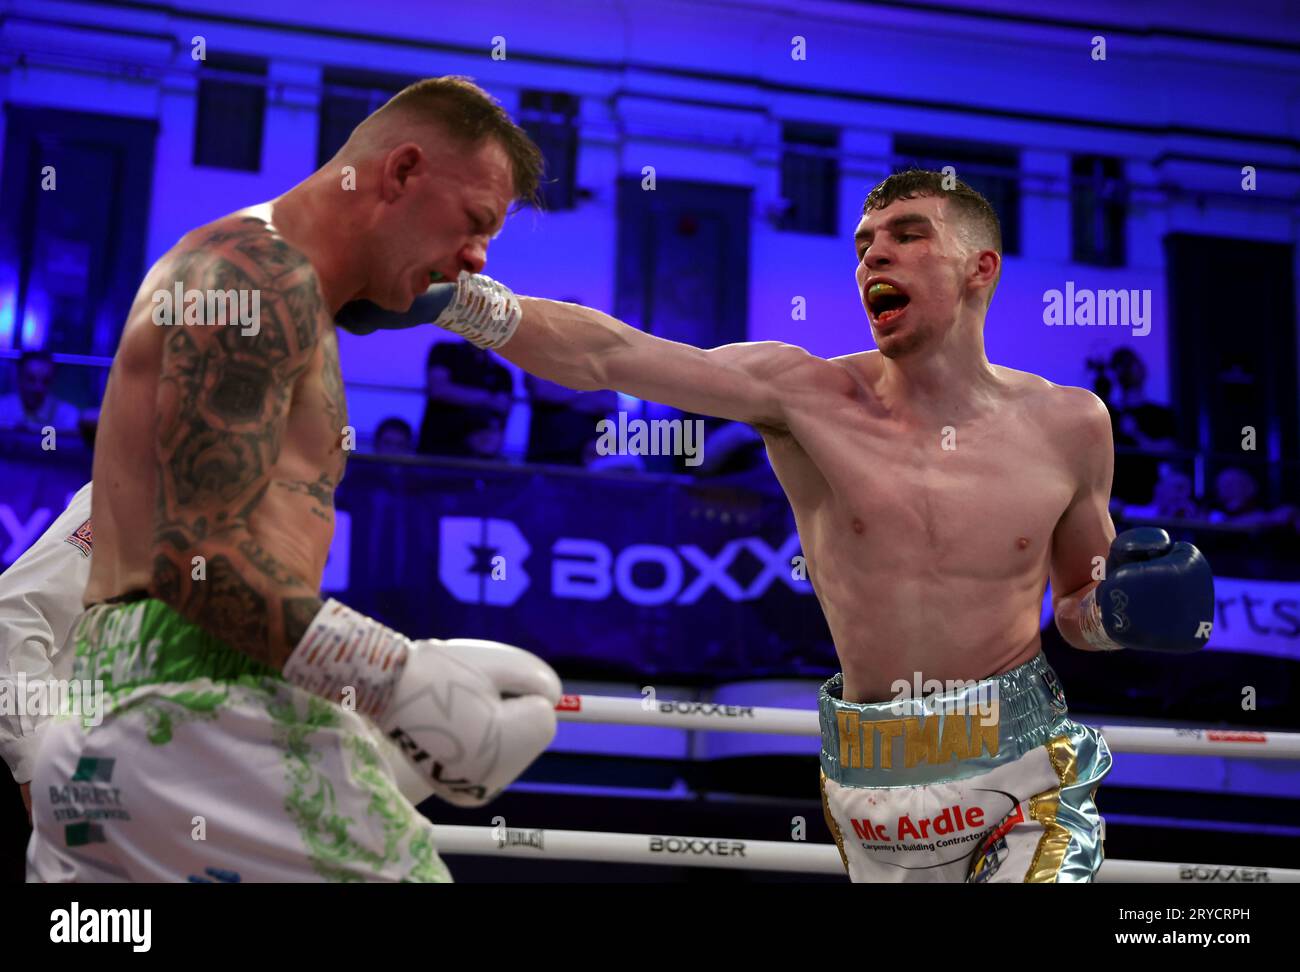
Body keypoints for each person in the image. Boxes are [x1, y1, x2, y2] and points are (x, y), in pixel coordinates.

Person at [401, 168, 1215, 882]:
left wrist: (1116, 616)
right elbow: (611, 355)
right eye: (864, 244)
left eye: (905, 235)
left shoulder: (1072, 423)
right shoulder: (804, 397)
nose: (873, 257)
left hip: (1024, 753)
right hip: (873, 768)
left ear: (980, 269)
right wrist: (454, 298)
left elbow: (1080, 607)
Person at [25, 76, 562, 883]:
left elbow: (579, 344)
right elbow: (197, 561)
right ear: (402, 171)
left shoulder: (299, 294)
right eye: (476, 222)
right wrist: (402, 681)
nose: (478, 257)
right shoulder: (250, 277)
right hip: (185, 707)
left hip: (136, 723)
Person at [418, 338, 513, 457]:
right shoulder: (444, 352)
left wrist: (458, 394)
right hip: (437, 448)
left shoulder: (501, 372)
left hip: (478, 454)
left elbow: (502, 407)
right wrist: (486, 398)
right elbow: (438, 389)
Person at [0, 350, 81, 434]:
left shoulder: (68, 416)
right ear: (19, 378)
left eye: (45, 381)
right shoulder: (2, 409)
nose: (38, 388)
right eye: (31, 379)